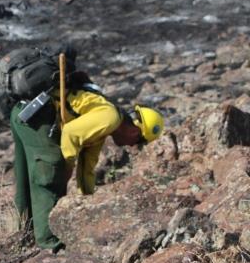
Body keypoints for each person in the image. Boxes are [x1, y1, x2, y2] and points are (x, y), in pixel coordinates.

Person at [10, 69, 164, 251]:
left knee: (26, 178)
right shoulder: (110, 118)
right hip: (35, 116)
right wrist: (66, 168)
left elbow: (87, 167)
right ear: (135, 131)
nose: (131, 147)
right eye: (137, 142)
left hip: (24, 113)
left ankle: (24, 235)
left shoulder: (105, 125)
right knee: (51, 171)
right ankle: (49, 244)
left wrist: (88, 201)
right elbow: (70, 133)